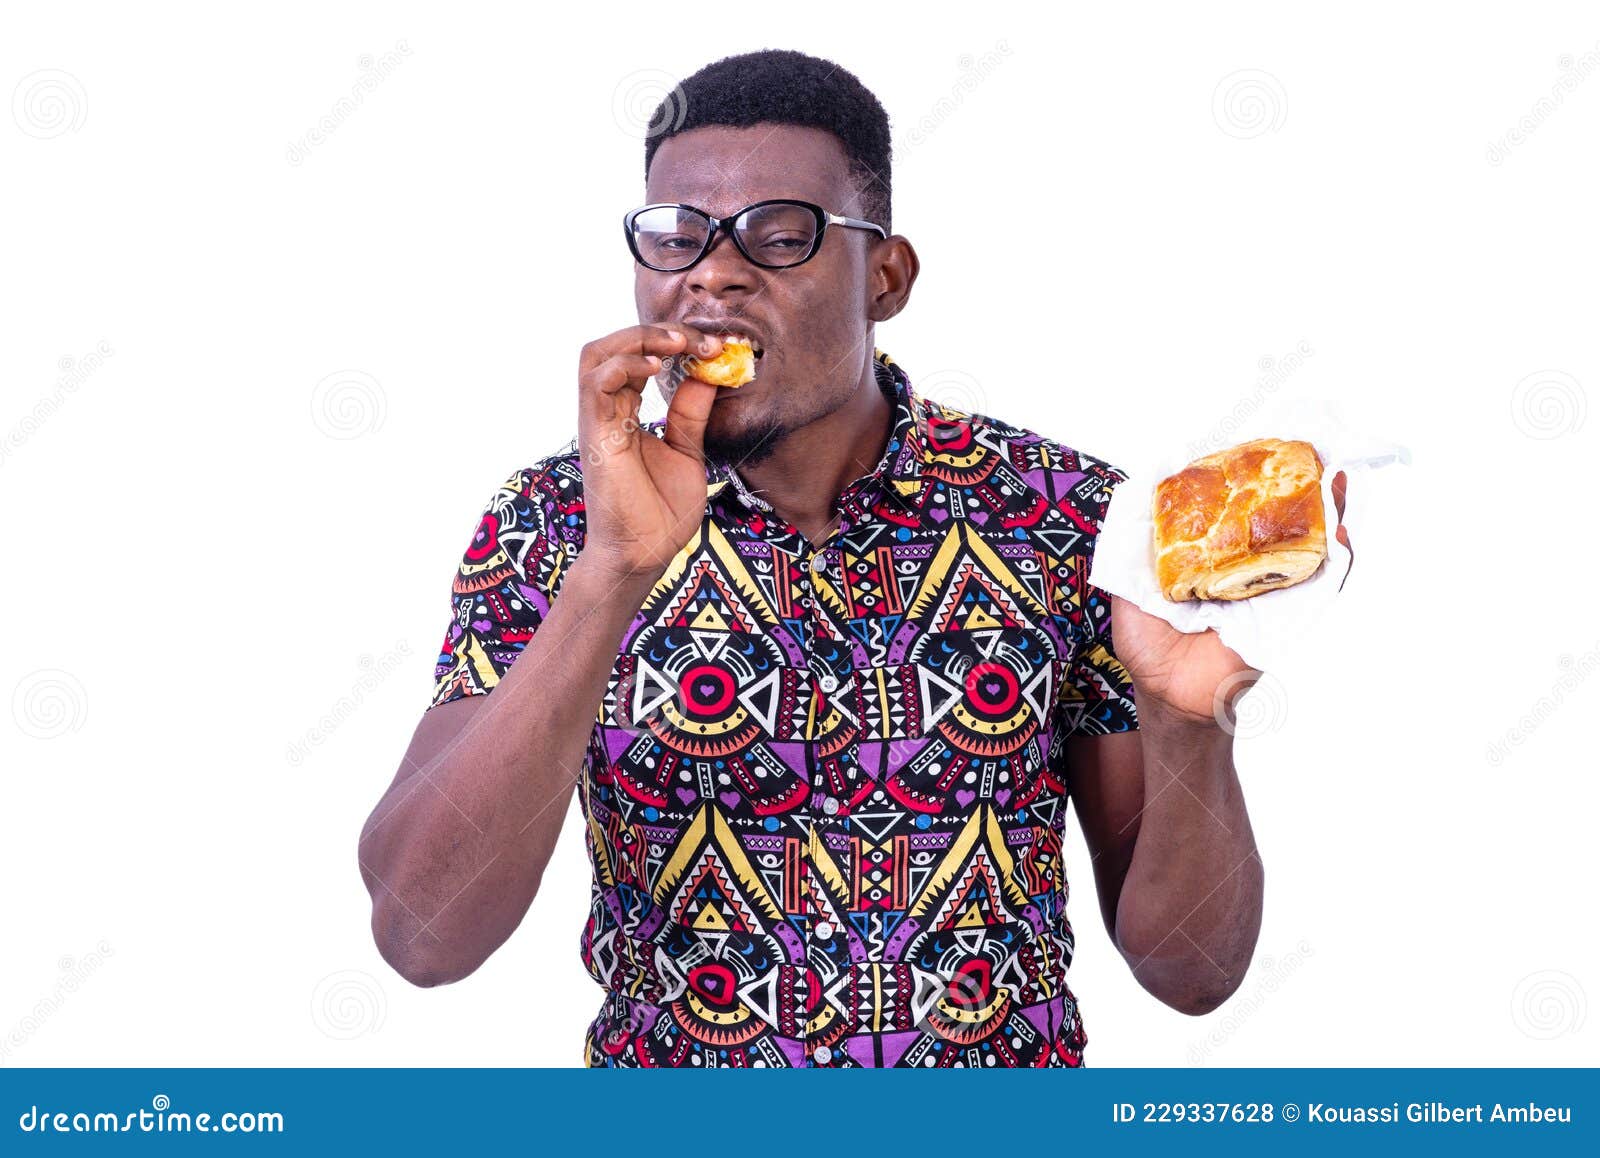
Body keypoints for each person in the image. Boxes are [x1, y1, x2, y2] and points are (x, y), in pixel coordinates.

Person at [359, 49, 1278, 1068]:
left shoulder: (1067, 515)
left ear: (885, 278)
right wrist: (611, 573)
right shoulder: (553, 522)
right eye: (676, 237)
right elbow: (422, 937)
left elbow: (1193, 975)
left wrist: (1188, 726)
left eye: (779, 234)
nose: (712, 273)